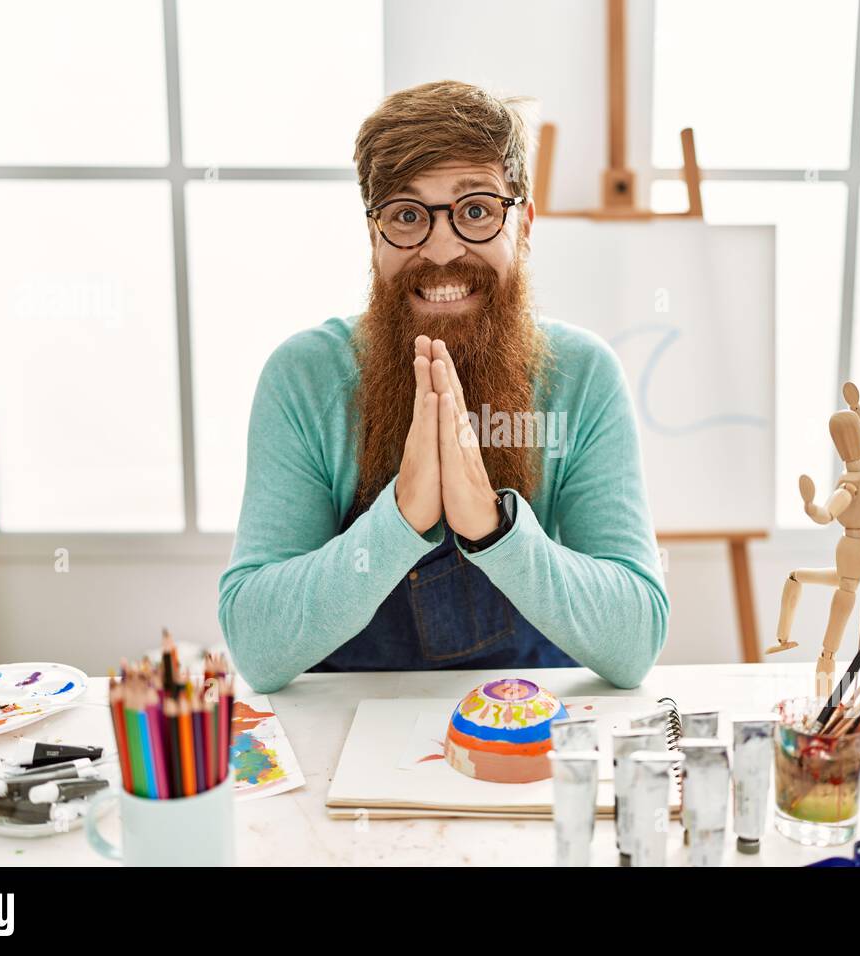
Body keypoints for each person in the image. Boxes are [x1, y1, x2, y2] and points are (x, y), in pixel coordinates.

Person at [218, 81, 668, 693]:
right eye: (407, 215)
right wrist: (401, 518)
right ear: (374, 238)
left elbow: (635, 642)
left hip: (531, 737)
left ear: (525, 225)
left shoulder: (582, 375)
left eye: (476, 210)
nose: (441, 247)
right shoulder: (303, 377)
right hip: (344, 748)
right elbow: (257, 647)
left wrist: (493, 527)